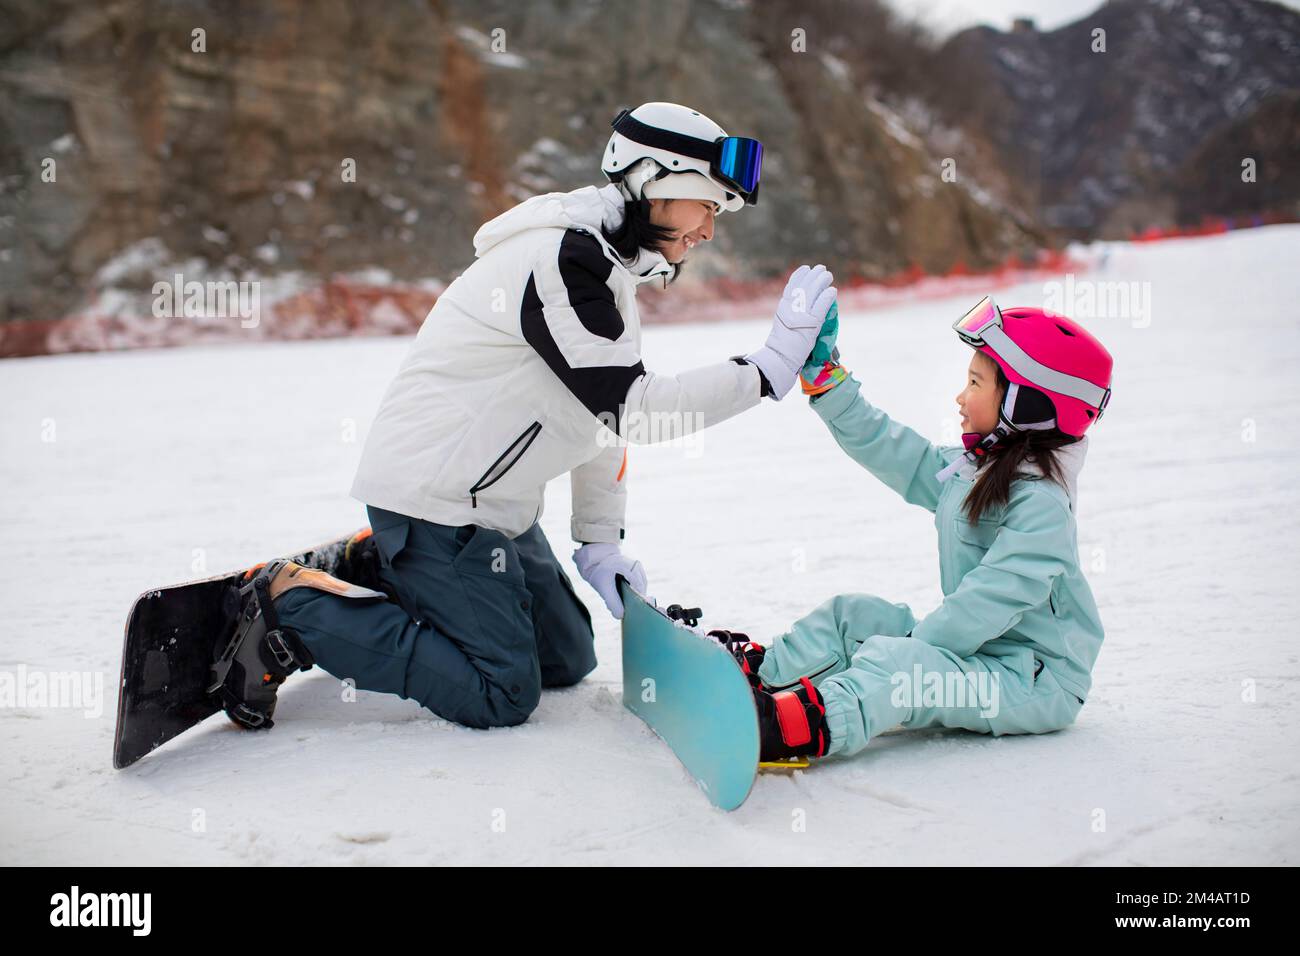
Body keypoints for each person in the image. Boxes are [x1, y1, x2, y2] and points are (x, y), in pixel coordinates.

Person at [209, 102, 837, 732]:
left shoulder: (608, 271)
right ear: (656, 179)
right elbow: (635, 410)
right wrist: (765, 372)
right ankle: (288, 611)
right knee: (501, 693)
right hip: (438, 502)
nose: (708, 230)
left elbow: (600, 418)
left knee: (566, 657)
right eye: (707, 205)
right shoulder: (562, 261)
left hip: (495, 510)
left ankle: (384, 567)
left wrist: (599, 539)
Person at [713, 295, 1113, 761]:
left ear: (1026, 403)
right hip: (981, 653)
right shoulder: (975, 471)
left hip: (1034, 682)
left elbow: (982, 606)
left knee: (899, 667)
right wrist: (828, 381)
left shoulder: (1043, 506)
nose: (960, 397)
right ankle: (760, 674)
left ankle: (790, 727)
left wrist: (900, 655)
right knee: (853, 617)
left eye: (975, 383)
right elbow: (897, 452)